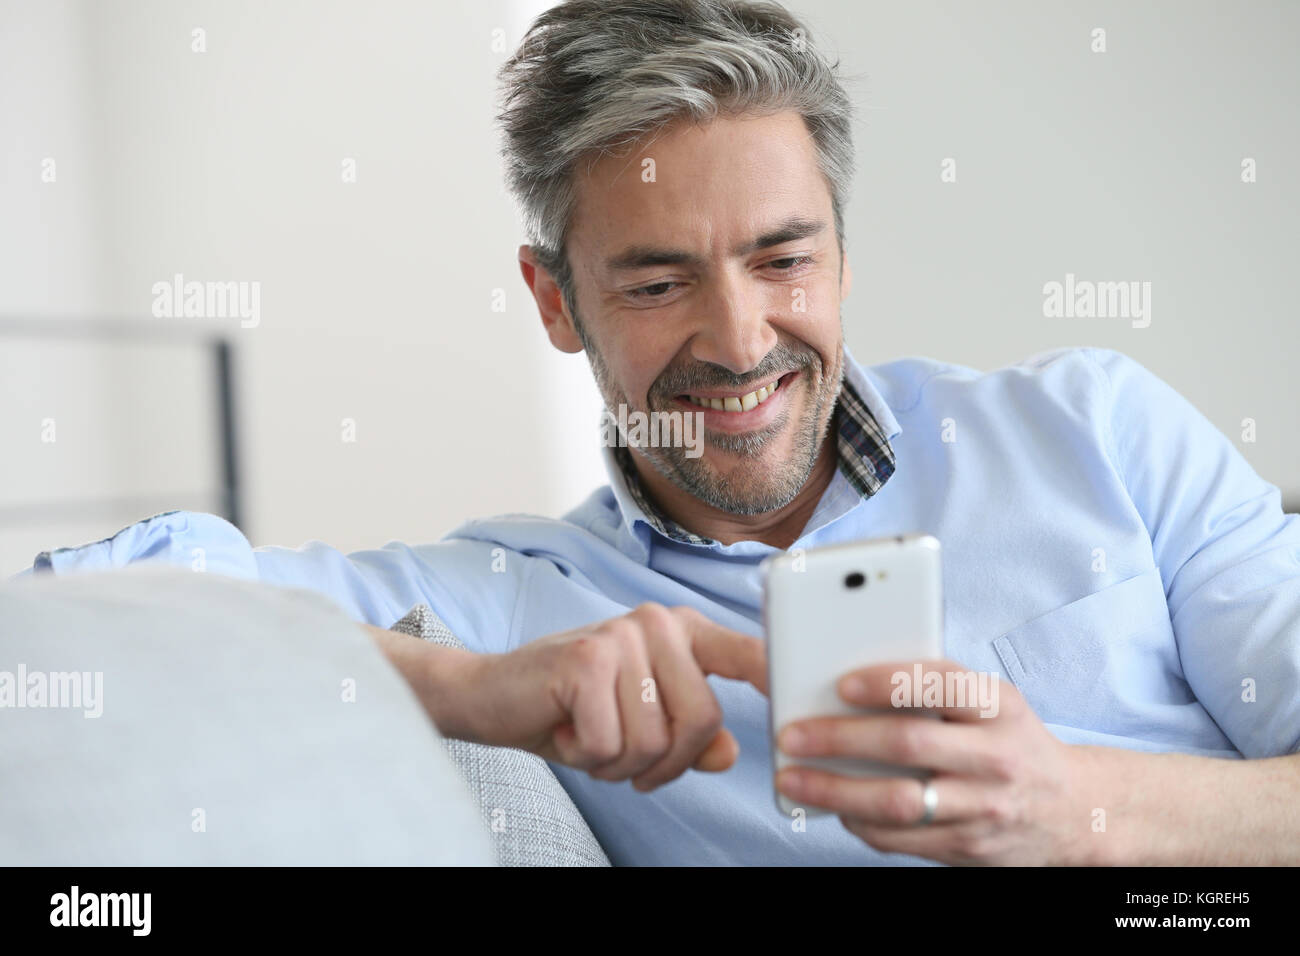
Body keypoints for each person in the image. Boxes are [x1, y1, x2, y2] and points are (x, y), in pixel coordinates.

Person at [20, 0, 1300, 865]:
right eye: (655, 281)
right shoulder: (523, 603)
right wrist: (462, 687)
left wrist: (1077, 807)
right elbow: (83, 617)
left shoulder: (1095, 427)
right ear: (554, 301)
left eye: (781, 257)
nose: (741, 342)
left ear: (843, 255)